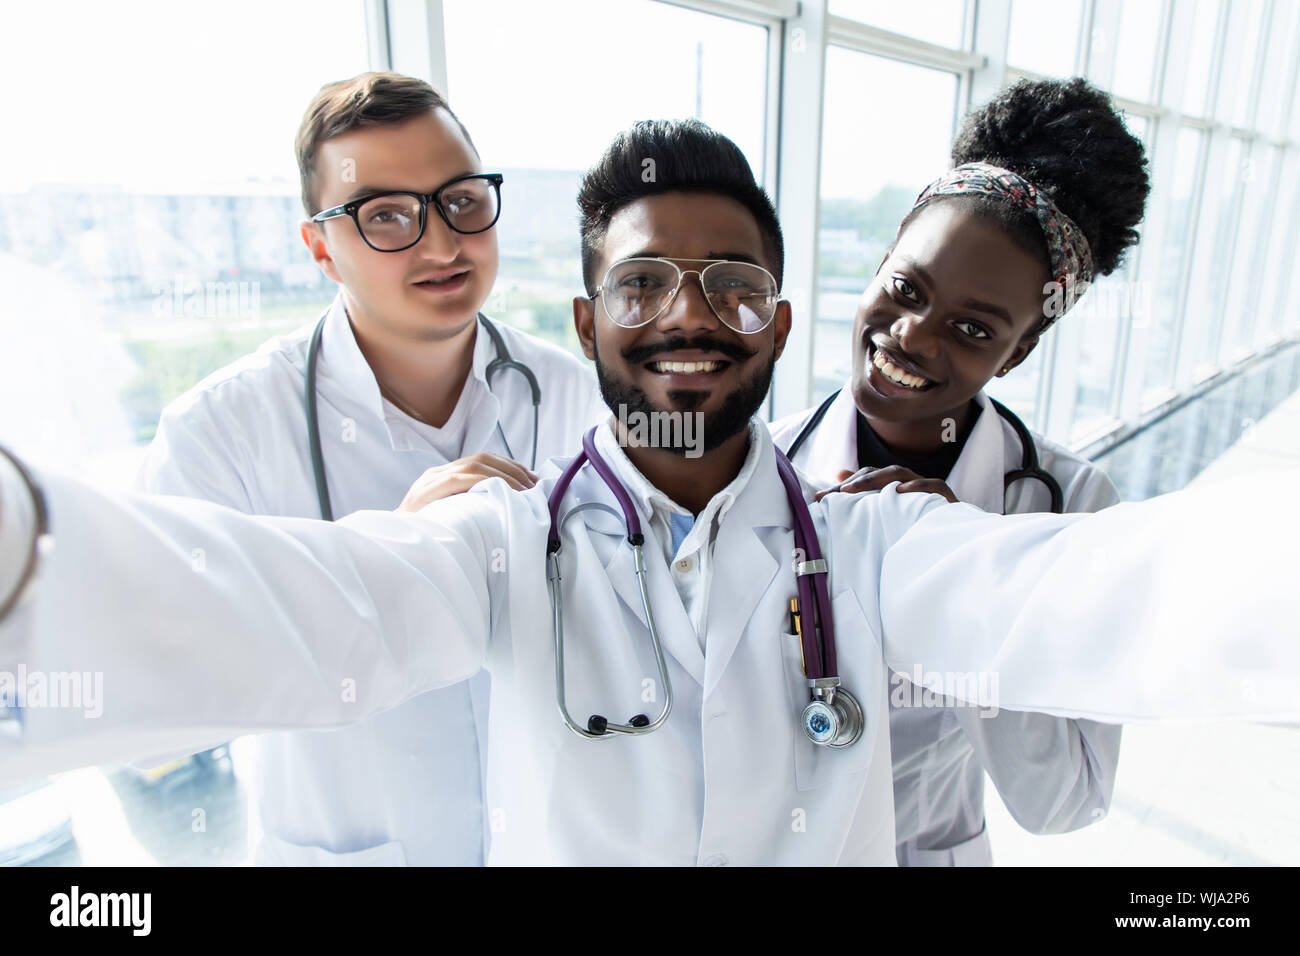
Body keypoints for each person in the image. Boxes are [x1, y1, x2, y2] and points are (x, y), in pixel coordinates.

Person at [1, 117, 1297, 866]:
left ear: (780, 325)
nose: (690, 317)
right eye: (642, 286)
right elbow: (307, 606)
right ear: (586, 320)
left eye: (731, 285)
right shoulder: (499, 533)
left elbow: (1129, 597)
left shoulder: (882, 537)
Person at [135, 72, 605, 866]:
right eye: (386, 214)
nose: (443, 243)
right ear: (319, 246)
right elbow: (170, 695)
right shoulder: (219, 433)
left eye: (461, 198)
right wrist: (383, 556)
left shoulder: (580, 401)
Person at [771, 77, 1146, 866]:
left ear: (1019, 351)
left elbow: (1067, 803)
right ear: (880, 265)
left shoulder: (1068, 507)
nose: (911, 336)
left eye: (973, 328)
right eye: (905, 289)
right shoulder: (757, 468)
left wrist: (970, 570)